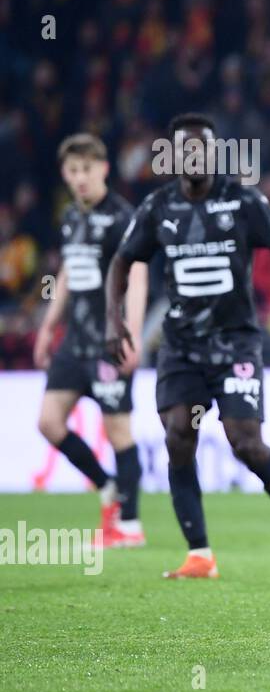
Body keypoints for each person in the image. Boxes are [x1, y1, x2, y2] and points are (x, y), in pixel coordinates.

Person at [104, 113, 270, 579]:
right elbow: (122, 261)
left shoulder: (241, 201)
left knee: (245, 443)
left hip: (236, 343)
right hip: (181, 346)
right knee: (179, 435)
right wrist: (113, 319)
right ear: (173, 156)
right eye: (184, 149)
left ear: (214, 153)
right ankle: (199, 554)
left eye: (201, 149)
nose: (193, 156)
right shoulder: (159, 207)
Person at [35, 134, 148, 546]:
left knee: (118, 432)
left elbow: (137, 273)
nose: (79, 178)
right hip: (73, 342)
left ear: (103, 168)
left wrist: (131, 333)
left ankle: (130, 526)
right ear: (65, 174)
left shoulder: (122, 216)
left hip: (108, 341)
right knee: (48, 423)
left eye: (87, 169)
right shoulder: (70, 217)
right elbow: (67, 270)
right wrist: (49, 325)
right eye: (72, 171)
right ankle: (107, 487)